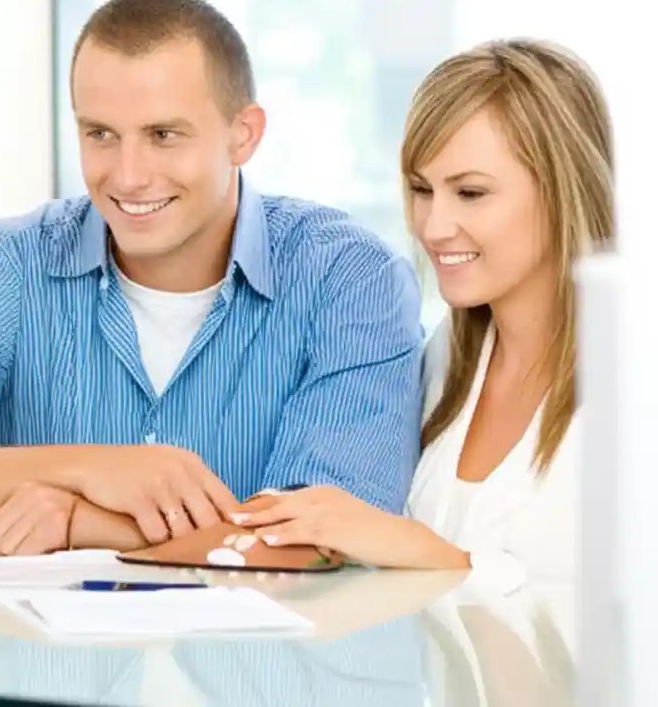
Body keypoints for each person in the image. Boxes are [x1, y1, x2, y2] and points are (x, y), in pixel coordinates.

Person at [0, 0, 423, 553]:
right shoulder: (8, 264)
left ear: (244, 135)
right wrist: (88, 466)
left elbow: (322, 540)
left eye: (163, 135)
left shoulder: (351, 279)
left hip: (261, 663)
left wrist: (81, 522)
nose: (128, 176)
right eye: (100, 134)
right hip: (48, 662)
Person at [230, 38, 612, 591]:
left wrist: (420, 550)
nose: (433, 227)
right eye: (421, 189)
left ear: (563, 189)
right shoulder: (445, 357)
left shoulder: (629, 381)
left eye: (471, 193)